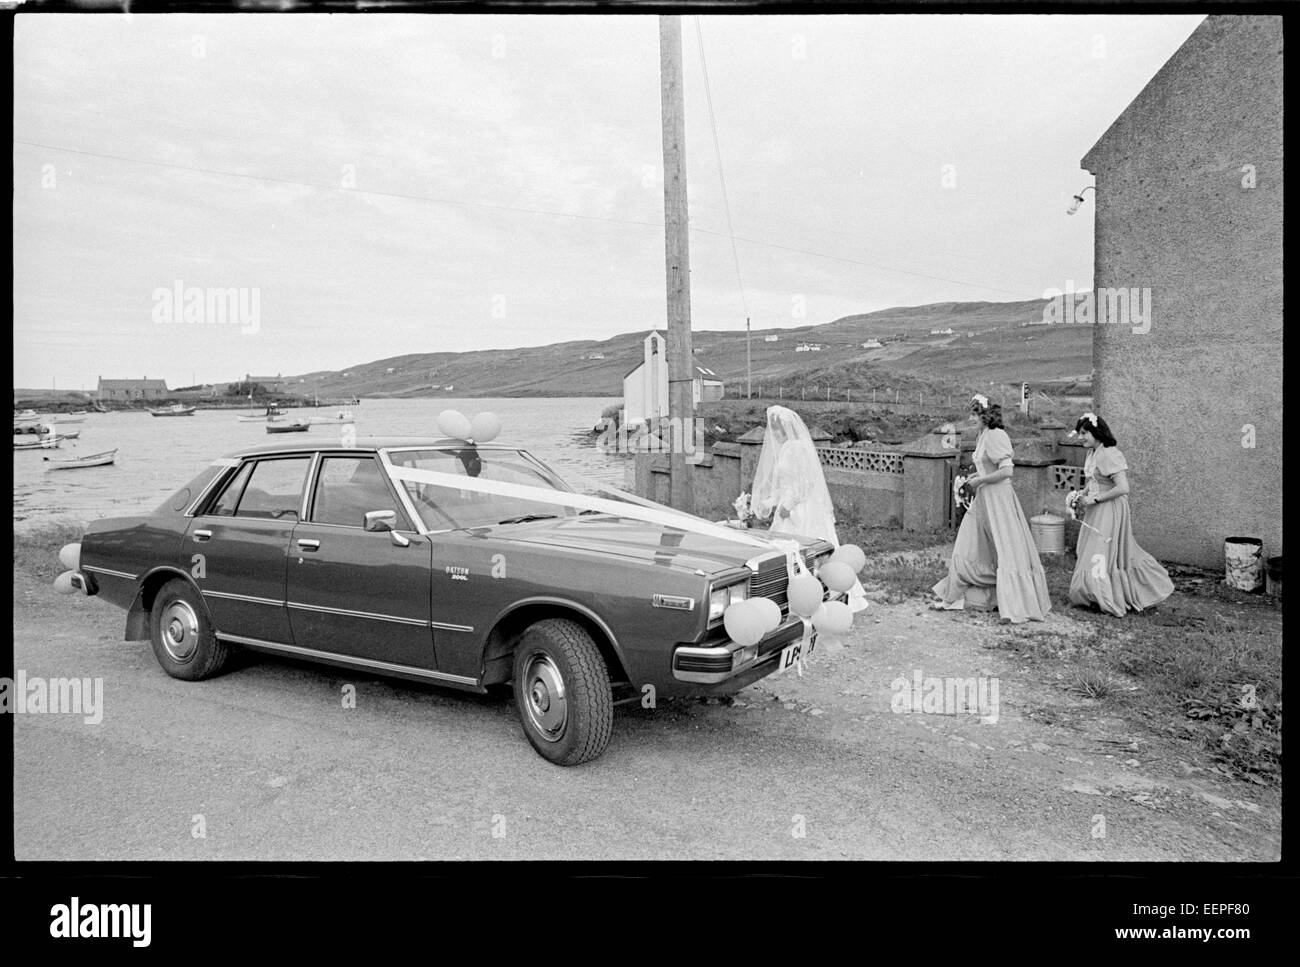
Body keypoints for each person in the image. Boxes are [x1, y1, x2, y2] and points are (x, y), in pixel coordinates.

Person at [931, 395, 1051, 623]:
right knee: (967, 544)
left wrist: (979, 481)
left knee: (1005, 548)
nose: (970, 418)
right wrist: (976, 477)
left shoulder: (997, 435)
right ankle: (954, 595)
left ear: (985, 416)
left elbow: (1007, 471)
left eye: (974, 414)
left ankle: (1013, 602)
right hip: (985, 498)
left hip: (999, 500)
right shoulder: (983, 435)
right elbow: (989, 467)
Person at [751, 405, 868, 612]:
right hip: (790, 507)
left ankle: (822, 594)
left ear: (784, 429)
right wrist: (769, 502)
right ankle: (796, 595)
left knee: (806, 549)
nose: (772, 434)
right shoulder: (787, 448)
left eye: (774, 430)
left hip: (801, 510)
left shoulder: (796, 448)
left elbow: (803, 483)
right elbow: (785, 484)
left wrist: (787, 507)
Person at [1067, 413, 1174, 615]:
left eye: (1084, 433)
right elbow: (1094, 480)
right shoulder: (1092, 452)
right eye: (1079, 433)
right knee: (1091, 549)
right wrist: (1082, 495)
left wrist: (1095, 499)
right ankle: (1092, 594)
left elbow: (1123, 488)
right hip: (1096, 509)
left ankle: (1105, 596)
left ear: (1097, 433)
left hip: (1110, 508)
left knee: (1102, 551)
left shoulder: (1109, 453)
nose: (1080, 437)